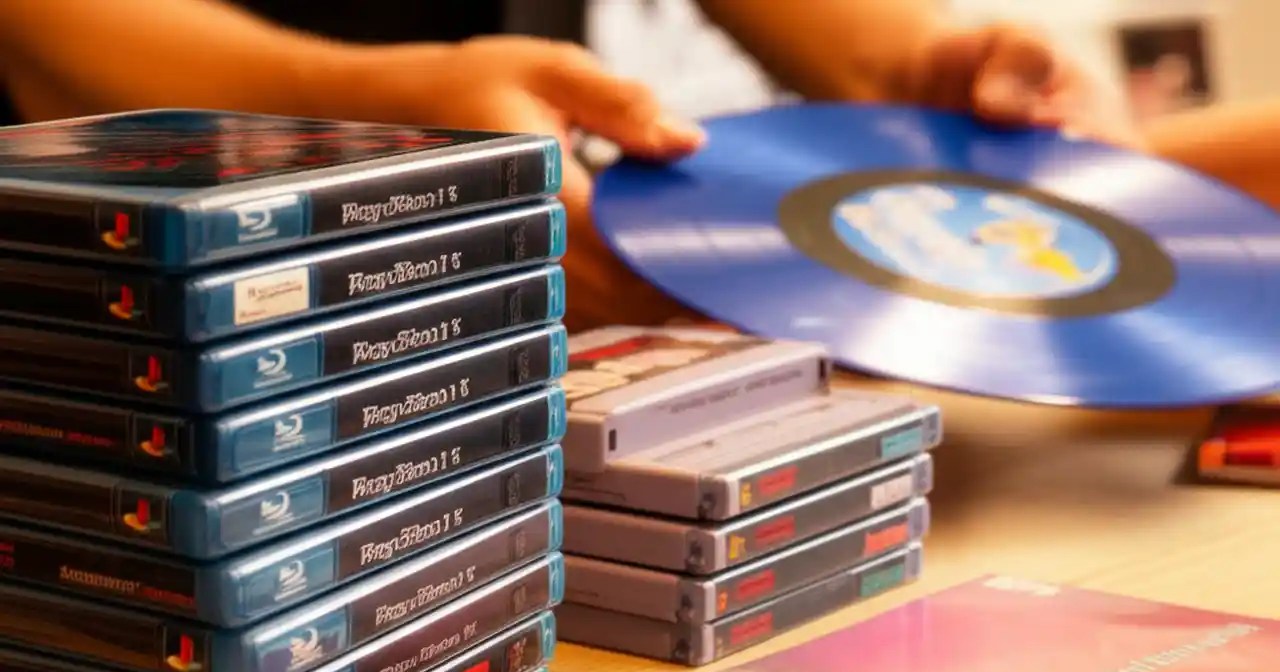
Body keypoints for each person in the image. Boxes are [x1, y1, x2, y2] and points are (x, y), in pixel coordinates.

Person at [0, 0, 1138, 329]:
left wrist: (950, 69)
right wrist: (379, 120)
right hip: (116, 315)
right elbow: (43, 42)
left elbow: (886, 61)